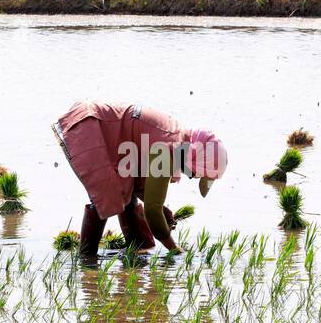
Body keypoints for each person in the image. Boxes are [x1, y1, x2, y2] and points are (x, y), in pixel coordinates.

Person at [53, 101, 227, 255]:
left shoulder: (177, 138)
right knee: (107, 195)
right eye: (196, 174)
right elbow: (152, 211)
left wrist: (160, 208)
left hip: (97, 123)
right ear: (197, 159)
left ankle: (138, 250)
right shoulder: (167, 150)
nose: (191, 177)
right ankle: (87, 259)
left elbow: (141, 188)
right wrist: (174, 249)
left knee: (126, 192)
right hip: (89, 126)